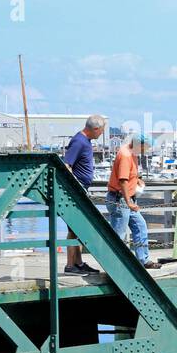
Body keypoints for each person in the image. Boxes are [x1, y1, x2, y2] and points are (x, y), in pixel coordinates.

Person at [106, 134, 159, 269]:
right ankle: (115, 266)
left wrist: (138, 178)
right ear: (139, 144)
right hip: (121, 200)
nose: (146, 151)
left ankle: (144, 260)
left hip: (127, 200)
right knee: (119, 234)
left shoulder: (132, 153)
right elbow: (123, 180)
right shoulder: (126, 155)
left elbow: (130, 173)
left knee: (140, 226)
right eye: (146, 148)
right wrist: (128, 202)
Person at [62, 115, 105, 274]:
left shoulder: (84, 141)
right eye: (101, 131)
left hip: (81, 190)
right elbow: (67, 165)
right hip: (77, 191)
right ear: (95, 129)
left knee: (77, 228)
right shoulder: (79, 141)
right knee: (74, 228)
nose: (101, 134)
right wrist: (76, 188)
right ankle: (70, 265)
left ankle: (78, 263)